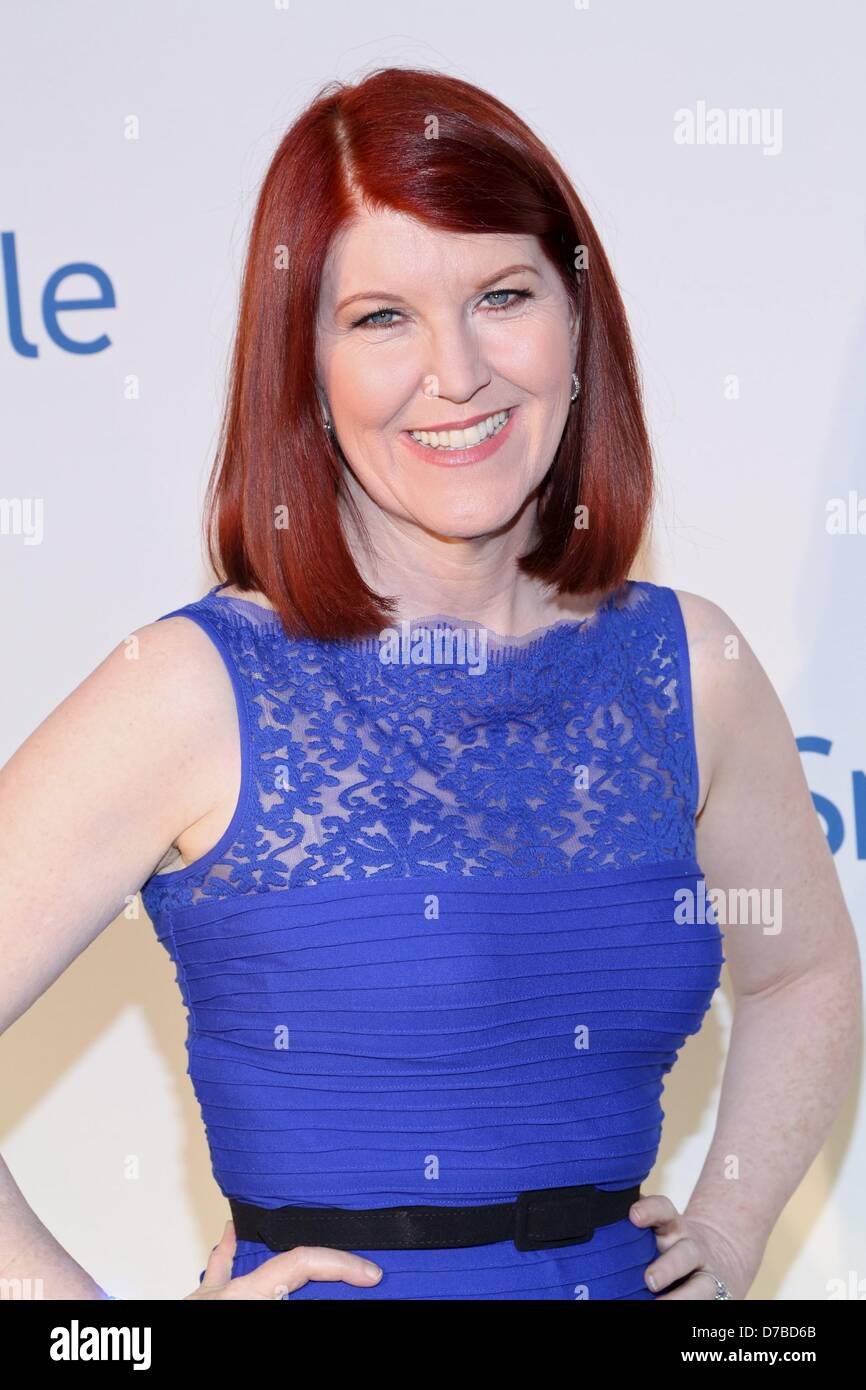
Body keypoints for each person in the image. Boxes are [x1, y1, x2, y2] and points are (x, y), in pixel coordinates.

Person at [0, 66, 860, 1302]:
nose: (455, 374)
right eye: (380, 317)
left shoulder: (693, 667)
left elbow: (802, 972)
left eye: (501, 295)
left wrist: (726, 1233)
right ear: (301, 364)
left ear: (576, 321)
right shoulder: (189, 689)